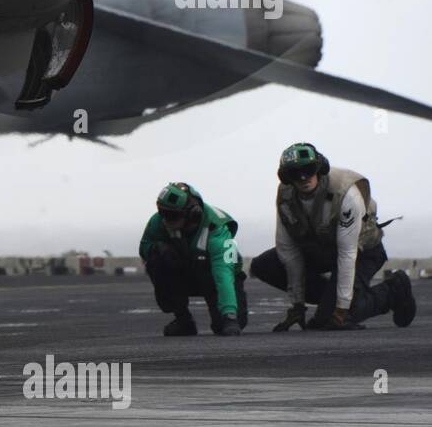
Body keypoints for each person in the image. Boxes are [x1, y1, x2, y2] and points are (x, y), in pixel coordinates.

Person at [250, 142, 416, 331]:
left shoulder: (345, 194)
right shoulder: (286, 195)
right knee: (263, 265)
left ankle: (393, 290)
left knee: (327, 320)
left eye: (309, 170)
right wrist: (297, 304)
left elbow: (348, 253)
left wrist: (341, 309)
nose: (304, 177)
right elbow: (289, 252)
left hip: (362, 251)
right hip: (323, 250)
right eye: (296, 173)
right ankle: (333, 297)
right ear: (287, 177)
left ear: (320, 168)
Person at [140, 182, 248, 336]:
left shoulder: (218, 231)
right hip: (189, 271)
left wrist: (230, 316)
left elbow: (224, 274)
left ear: (193, 214)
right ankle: (183, 319)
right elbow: (144, 247)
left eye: (171, 215)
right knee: (156, 261)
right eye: (161, 212)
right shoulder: (158, 221)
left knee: (224, 326)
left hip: (221, 276)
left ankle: (226, 314)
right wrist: (157, 247)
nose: (164, 220)